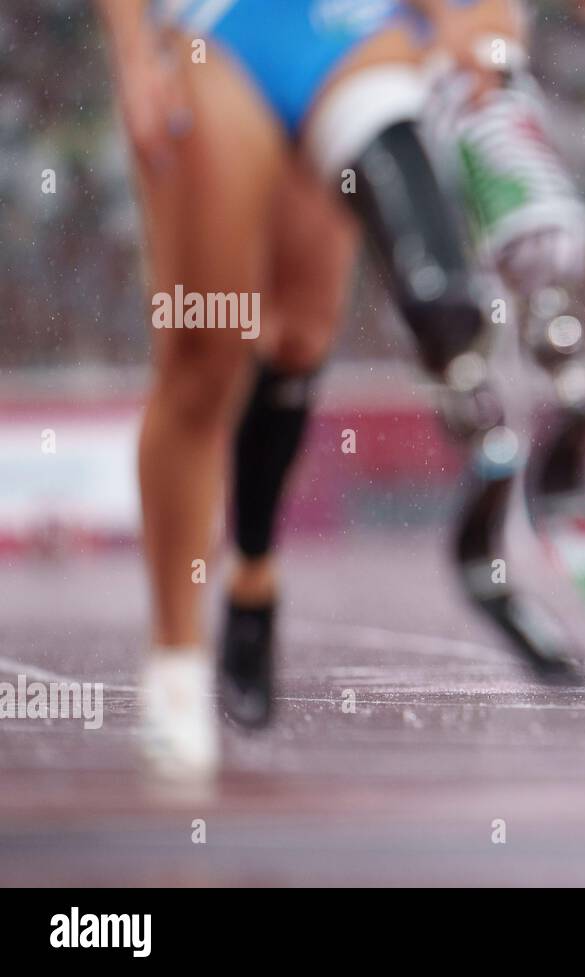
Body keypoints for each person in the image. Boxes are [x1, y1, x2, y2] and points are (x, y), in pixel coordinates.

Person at [98, 0, 548, 776]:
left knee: (301, 335)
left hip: (354, 27)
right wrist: (134, 55)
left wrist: (489, 24)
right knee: (208, 352)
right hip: (217, 30)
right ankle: (175, 663)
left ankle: (254, 567)